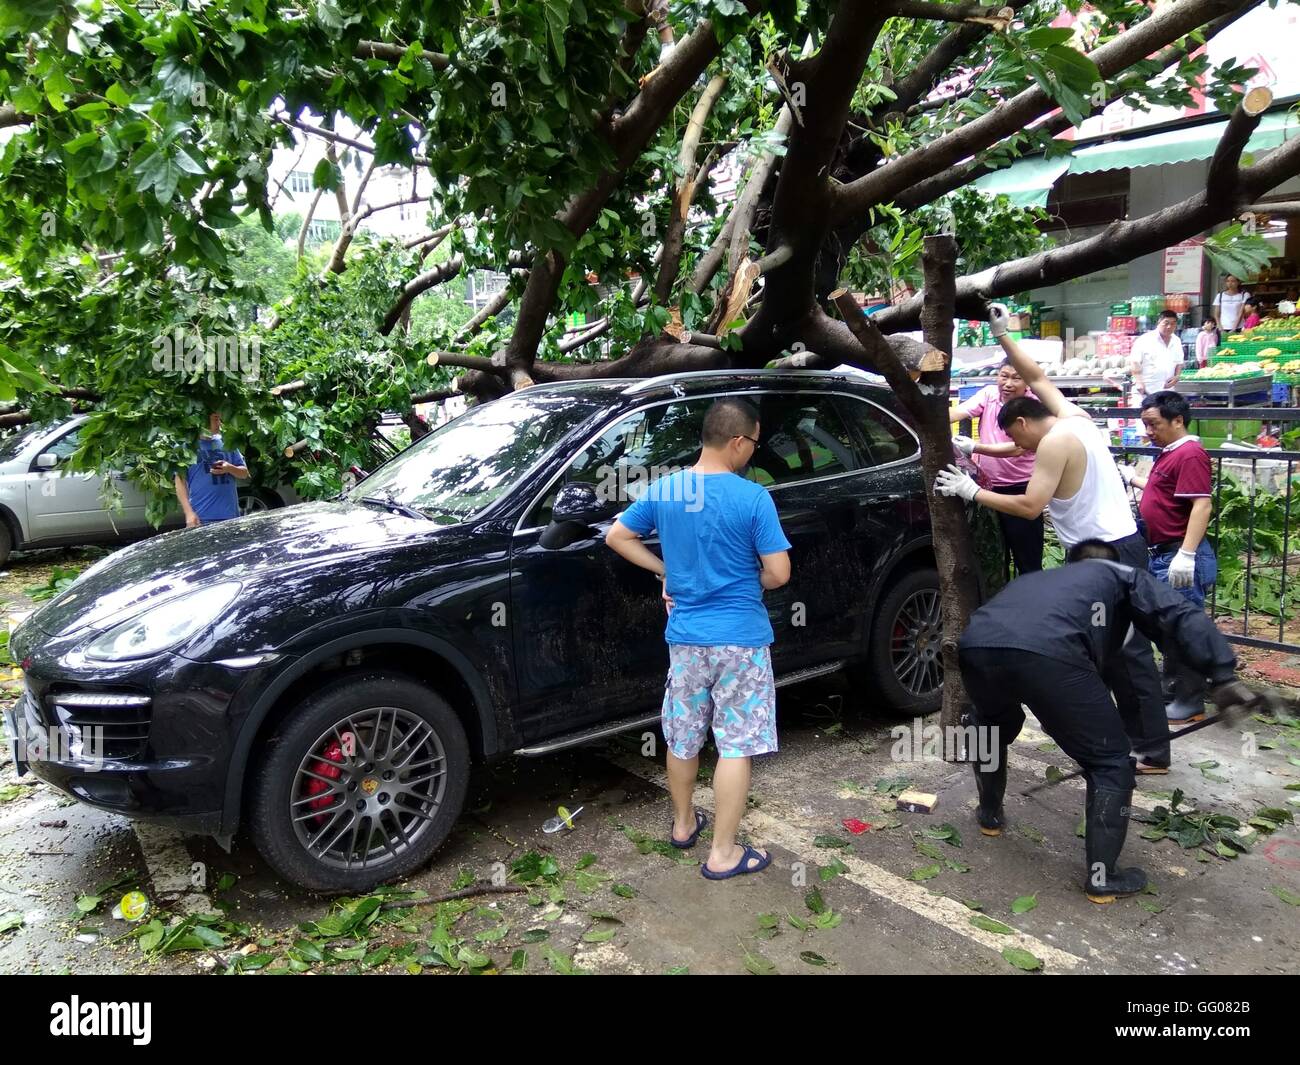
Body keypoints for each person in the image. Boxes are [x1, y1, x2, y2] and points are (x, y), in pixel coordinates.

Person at [934, 302, 1171, 772]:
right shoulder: (1074, 419)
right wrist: (1004, 336)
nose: (1018, 449)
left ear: (1021, 424)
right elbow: (1039, 377)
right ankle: (1133, 737)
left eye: (1016, 441)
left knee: (1126, 650)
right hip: (1114, 548)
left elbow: (1028, 505)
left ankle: (1150, 749)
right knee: (1109, 647)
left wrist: (973, 489)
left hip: (1107, 557)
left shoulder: (1052, 444)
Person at [958, 538, 1254, 902]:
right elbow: (1180, 614)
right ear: (1112, 563)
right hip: (1049, 652)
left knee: (989, 728)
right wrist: (1222, 674)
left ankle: (989, 815)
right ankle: (1102, 877)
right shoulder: (1122, 576)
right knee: (1111, 763)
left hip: (975, 645)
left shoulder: (1040, 580)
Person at [605, 399, 791, 881]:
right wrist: (751, 580)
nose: (753, 452)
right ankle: (723, 853)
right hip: (741, 640)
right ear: (737, 441)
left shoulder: (666, 490)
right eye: (753, 442)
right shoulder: (753, 499)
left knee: (683, 734)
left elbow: (618, 537)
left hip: (686, 639)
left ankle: (685, 824)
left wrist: (667, 571)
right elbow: (778, 573)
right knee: (735, 745)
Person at [1117, 391, 1217, 723]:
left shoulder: (1189, 453)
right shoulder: (1170, 452)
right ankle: (1173, 688)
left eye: (1153, 424)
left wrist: (1186, 554)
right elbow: (1166, 492)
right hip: (1163, 553)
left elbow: (1201, 504)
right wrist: (1131, 478)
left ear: (1178, 420)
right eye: (1145, 424)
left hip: (1179, 553)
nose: (1148, 431)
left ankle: (1191, 700)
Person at [948, 362, 1043, 573]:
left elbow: (1019, 448)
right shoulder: (989, 395)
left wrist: (975, 447)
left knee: (1027, 558)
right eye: (1003, 376)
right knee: (992, 555)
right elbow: (957, 413)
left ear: (1027, 381)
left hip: (1020, 488)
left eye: (1016, 378)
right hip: (987, 487)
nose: (1008, 384)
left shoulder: (1032, 406)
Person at [175, 412, 249, 527]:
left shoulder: (227, 442)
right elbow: (179, 482)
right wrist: (188, 513)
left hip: (231, 516)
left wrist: (229, 468)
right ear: (203, 420)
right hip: (202, 517)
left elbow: (244, 473)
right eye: (215, 419)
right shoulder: (185, 447)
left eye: (219, 419)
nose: (219, 423)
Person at [1128, 310, 1184, 405]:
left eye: (1173, 324)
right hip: (1146, 390)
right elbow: (1134, 362)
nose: (1169, 327)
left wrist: (1177, 376)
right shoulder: (1145, 340)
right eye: (1166, 323)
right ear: (1159, 322)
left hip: (1167, 391)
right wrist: (1139, 382)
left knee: (1165, 418)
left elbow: (1179, 362)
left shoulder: (1176, 341)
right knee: (1145, 418)